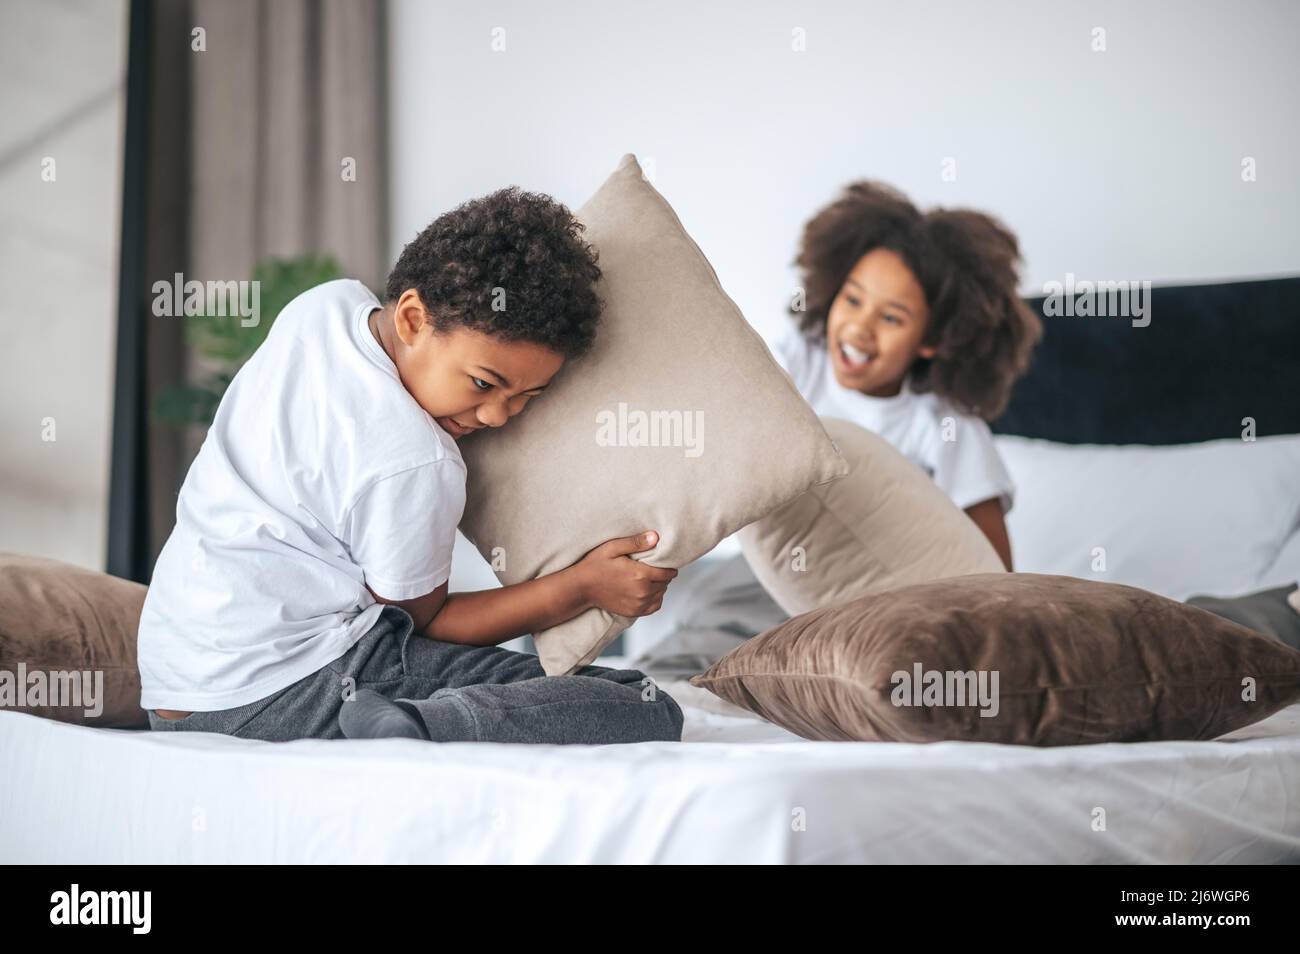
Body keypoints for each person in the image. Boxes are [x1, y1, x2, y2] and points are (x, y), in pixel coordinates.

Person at [138, 187, 683, 744]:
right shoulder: (416, 461)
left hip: (171, 683)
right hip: (280, 692)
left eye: (529, 396)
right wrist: (582, 587)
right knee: (646, 706)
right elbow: (427, 622)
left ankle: (405, 718)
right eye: (484, 383)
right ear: (414, 318)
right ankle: (421, 725)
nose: (498, 415)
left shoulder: (325, 307)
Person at [776, 181, 1042, 569]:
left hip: (883, 585)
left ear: (932, 339)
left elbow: (996, 571)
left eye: (890, 318)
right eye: (852, 300)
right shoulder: (799, 360)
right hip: (784, 564)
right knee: (701, 607)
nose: (859, 329)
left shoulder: (945, 427)